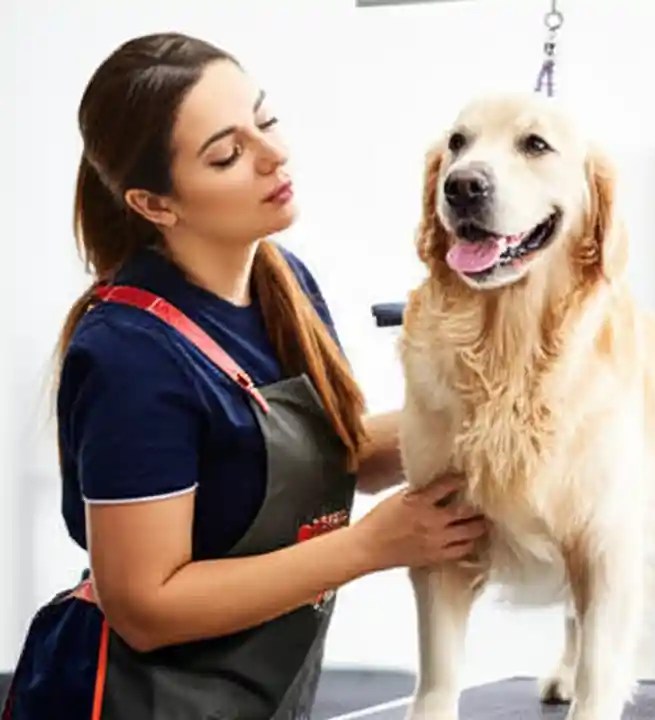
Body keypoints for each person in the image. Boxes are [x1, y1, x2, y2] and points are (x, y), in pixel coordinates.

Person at [1, 32, 487, 720]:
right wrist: (371, 546)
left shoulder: (282, 282)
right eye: (228, 154)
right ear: (154, 203)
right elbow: (145, 606)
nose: (274, 156)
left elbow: (328, 459)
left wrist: (485, 421)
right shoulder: (130, 357)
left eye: (265, 121)